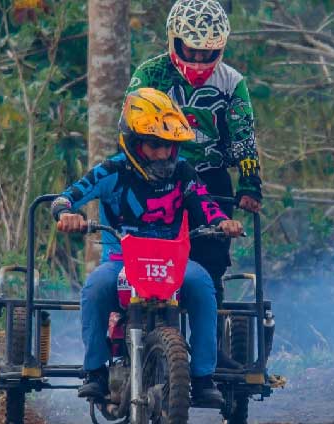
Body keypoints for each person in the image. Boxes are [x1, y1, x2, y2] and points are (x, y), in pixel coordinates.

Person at [51, 88, 243, 405]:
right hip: (121, 260)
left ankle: (203, 377)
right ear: (134, 142)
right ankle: (95, 373)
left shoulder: (184, 173)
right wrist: (67, 214)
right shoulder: (111, 171)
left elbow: (206, 206)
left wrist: (223, 222)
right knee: (96, 286)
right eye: (155, 144)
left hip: (172, 260)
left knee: (202, 284)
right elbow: (66, 197)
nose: (163, 153)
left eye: (170, 145)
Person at [125, 0, 262, 301]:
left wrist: (250, 184)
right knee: (147, 249)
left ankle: (211, 335)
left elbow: (244, 135)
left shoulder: (232, 81)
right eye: (192, 50)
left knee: (211, 258)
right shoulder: (150, 75)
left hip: (211, 177)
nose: (199, 61)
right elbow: (130, 128)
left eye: (208, 52)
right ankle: (127, 326)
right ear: (175, 40)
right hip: (158, 175)